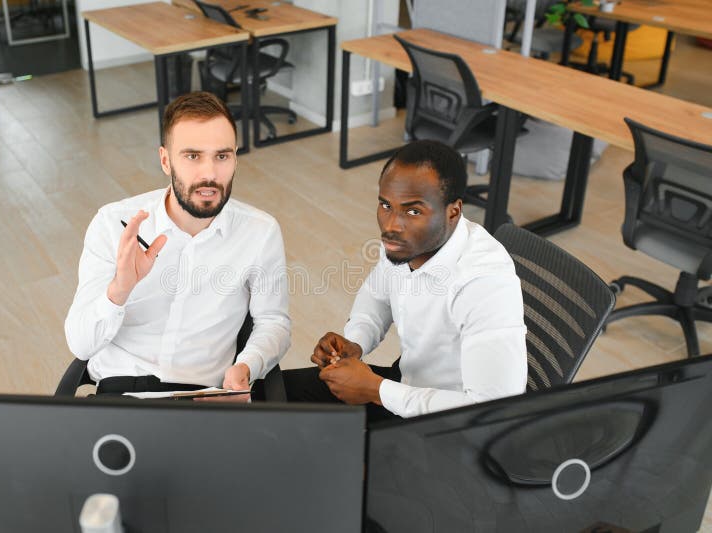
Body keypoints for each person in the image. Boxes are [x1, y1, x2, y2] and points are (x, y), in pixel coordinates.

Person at [65, 91, 290, 396]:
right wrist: (119, 290)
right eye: (192, 156)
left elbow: (273, 321)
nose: (209, 174)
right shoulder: (112, 223)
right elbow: (81, 345)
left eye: (222, 156)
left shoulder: (260, 232)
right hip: (121, 393)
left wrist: (248, 365)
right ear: (165, 161)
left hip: (201, 398)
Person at [283, 140, 527, 421]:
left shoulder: (483, 283)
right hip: (406, 387)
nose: (391, 225)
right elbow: (376, 297)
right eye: (386, 205)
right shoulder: (406, 242)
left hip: (448, 426)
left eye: (413, 211)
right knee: (271, 397)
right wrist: (355, 343)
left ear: (453, 211)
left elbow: (493, 411)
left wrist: (377, 391)